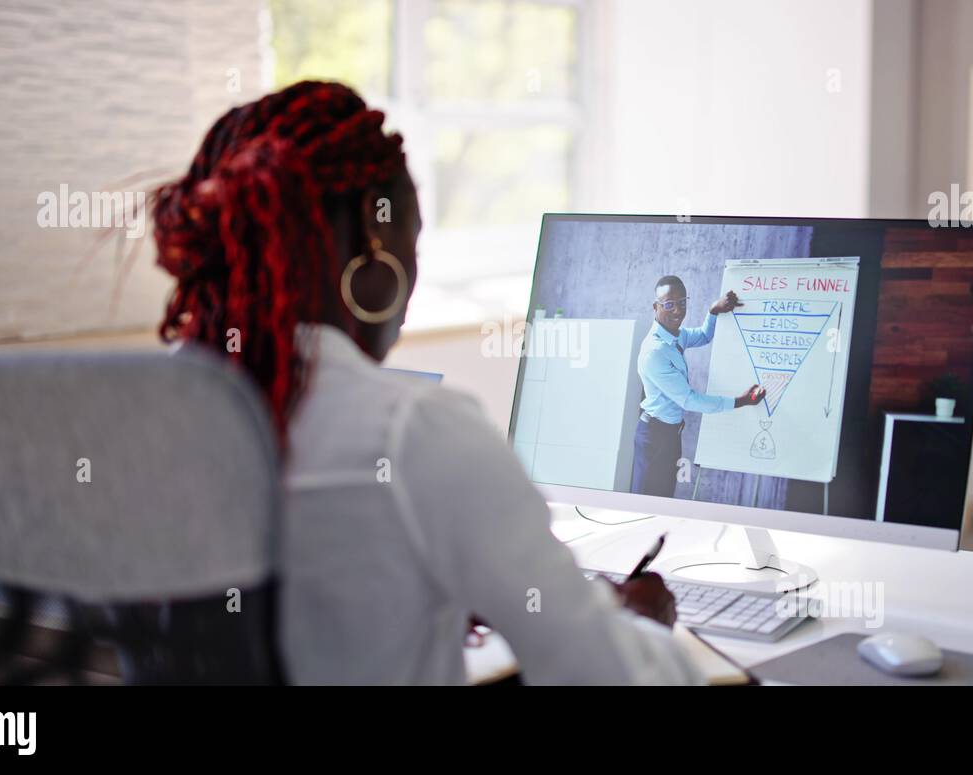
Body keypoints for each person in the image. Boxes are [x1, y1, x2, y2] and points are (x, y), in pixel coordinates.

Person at [152, 81, 701, 685]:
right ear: (375, 240)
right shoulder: (414, 431)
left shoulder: (130, 416)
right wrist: (641, 623)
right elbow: (611, 677)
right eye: (413, 243)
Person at [632, 275, 764, 497]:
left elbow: (703, 335)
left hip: (671, 434)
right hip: (655, 436)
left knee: (665, 499)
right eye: (669, 305)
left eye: (682, 303)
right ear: (656, 307)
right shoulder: (655, 352)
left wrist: (713, 311)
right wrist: (741, 402)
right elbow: (689, 399)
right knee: (646, 502)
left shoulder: (676, 335)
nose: (677, 311)